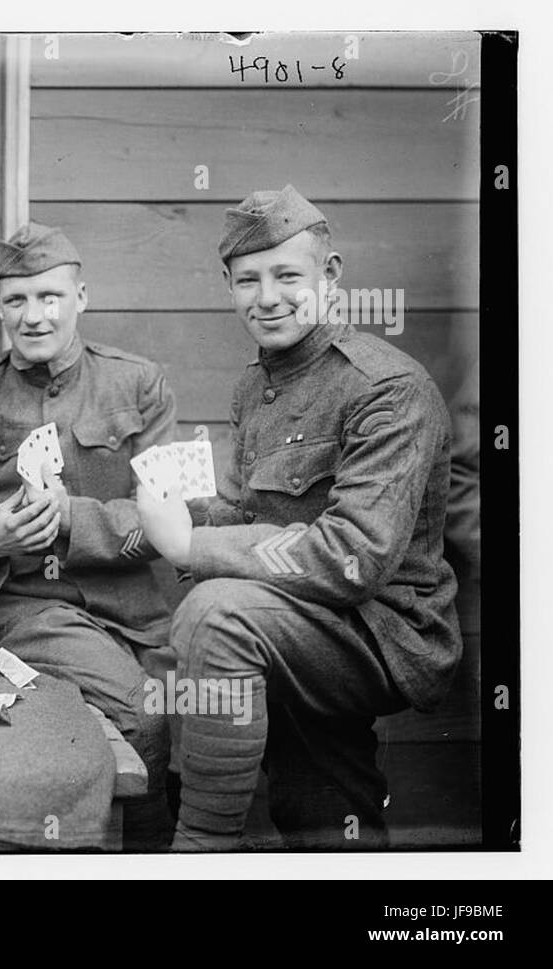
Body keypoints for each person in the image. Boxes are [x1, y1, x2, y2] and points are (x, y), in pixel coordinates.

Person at [137, 185, 462, 850]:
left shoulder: (386, 388)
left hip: (382, 627)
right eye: (248, 280)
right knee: (324, 805)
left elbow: (353, 556)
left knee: (215, 611)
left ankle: (200, 846)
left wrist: (194, 544)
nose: (268, 297)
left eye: (288, 275)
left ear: (330, 275)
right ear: (227, 284)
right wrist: (171, 504)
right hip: (302, 615)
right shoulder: (255, 386)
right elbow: (247, 506)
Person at [0, 223, 179, 850]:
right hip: (31, 605)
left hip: (134, 603)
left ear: (81, 297)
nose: (34, 317)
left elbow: (172, 515)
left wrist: (73, 520)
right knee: (143, 715)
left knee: (200, 719)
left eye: (51, 297)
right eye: (17, 300)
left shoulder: (138, 384)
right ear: (0, 306)